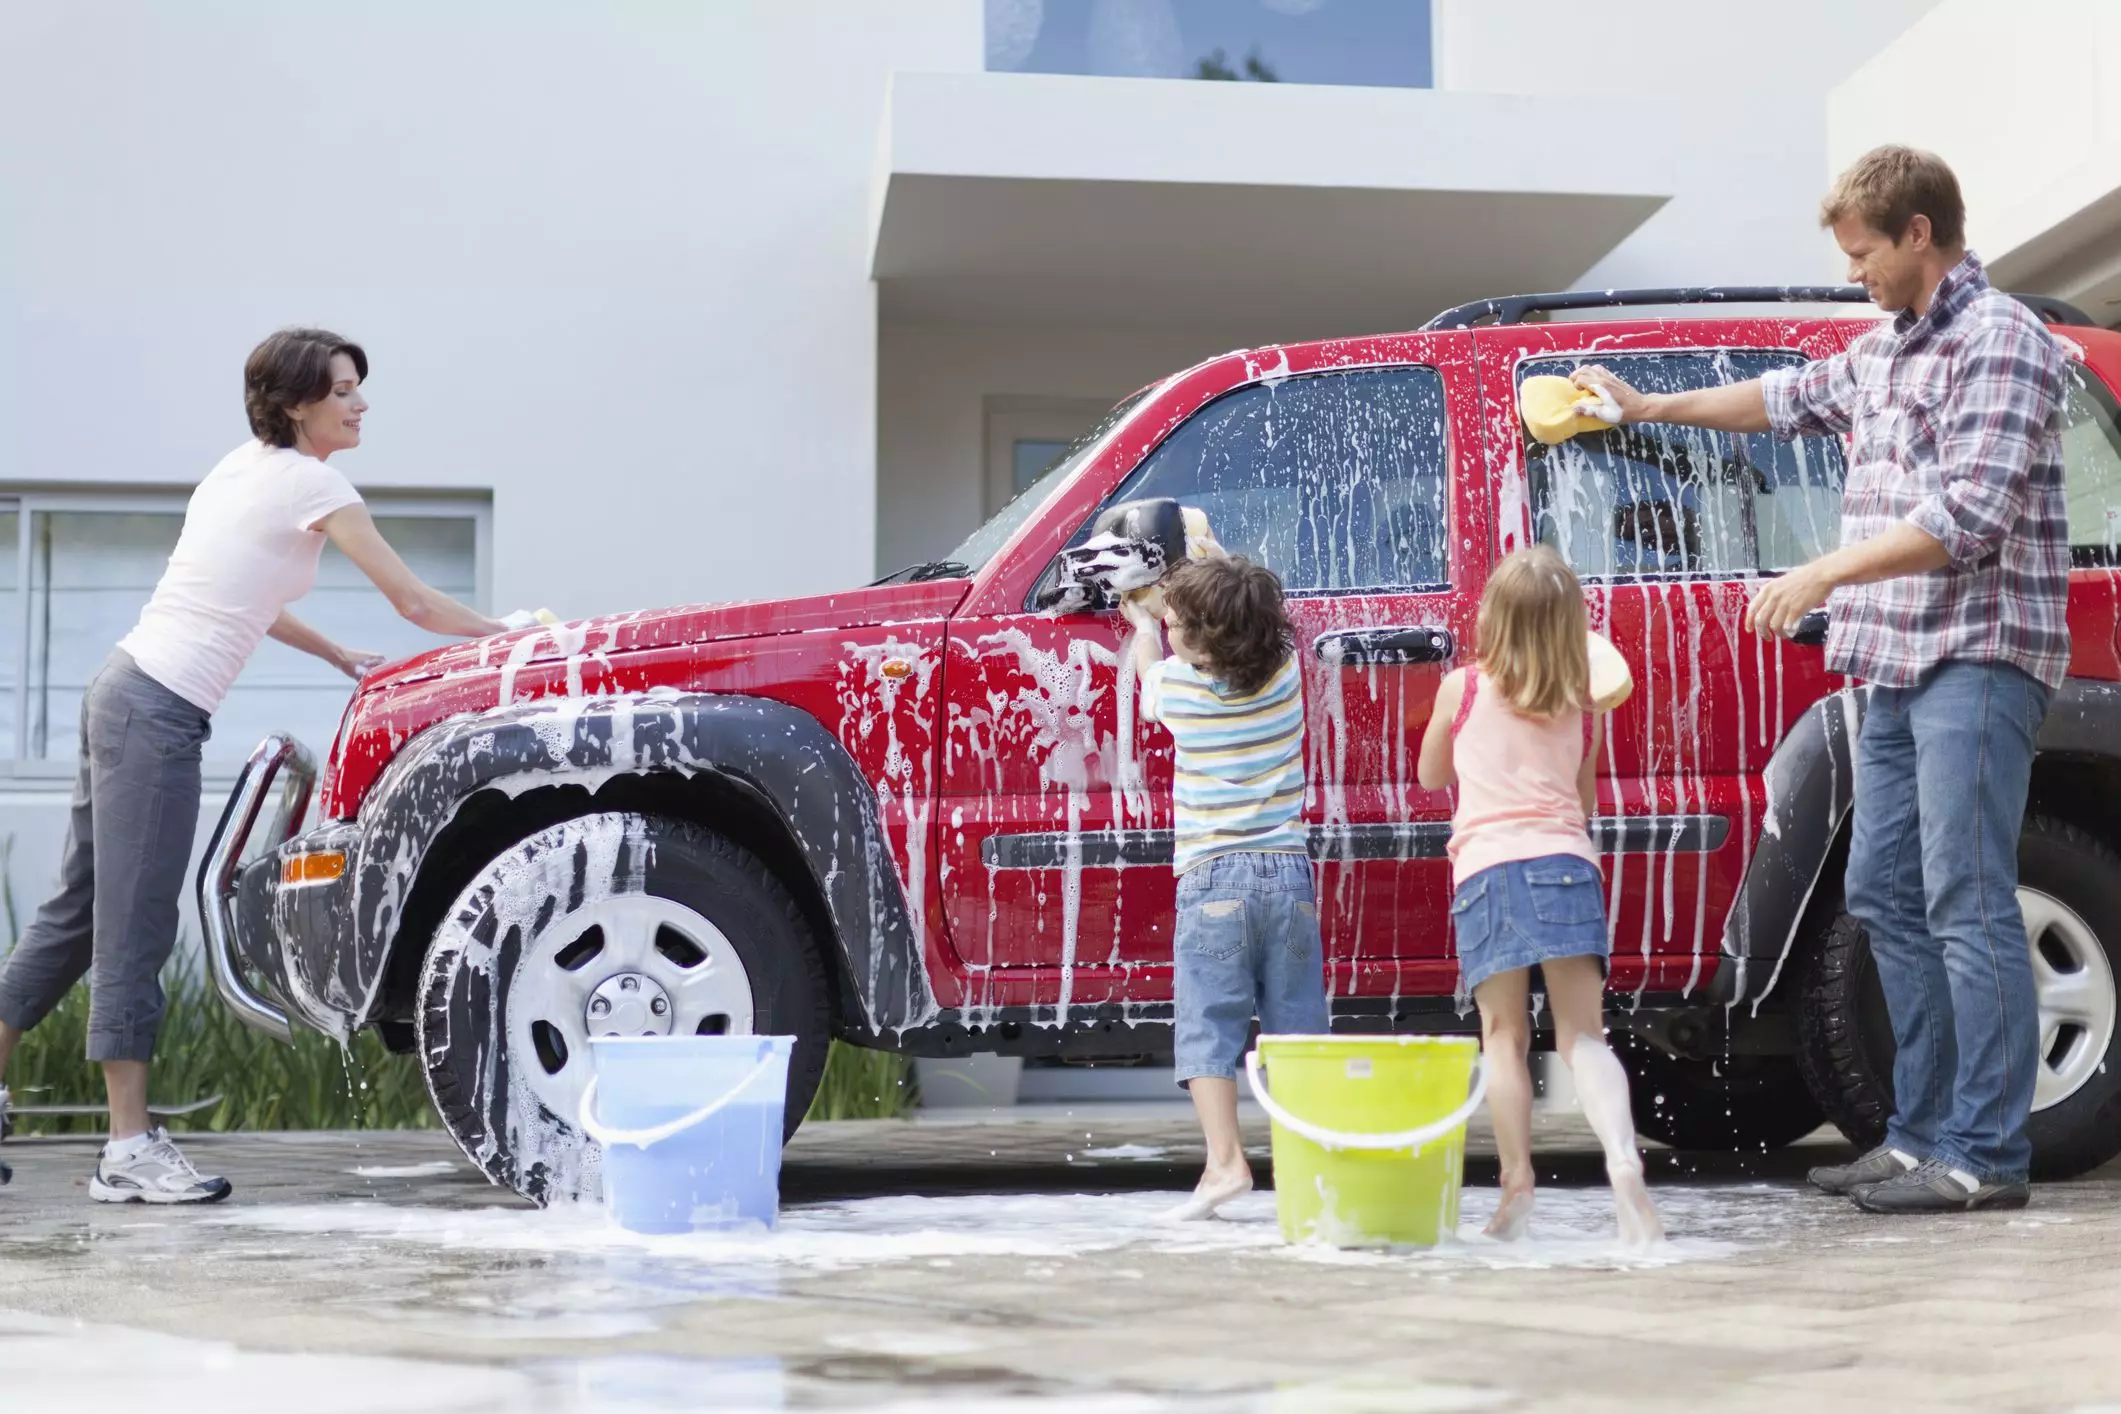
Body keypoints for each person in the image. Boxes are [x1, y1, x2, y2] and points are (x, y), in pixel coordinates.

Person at [1572, 146, 2068, 1214]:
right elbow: (1781, 400)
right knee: (1886, 895)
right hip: (1888, 662)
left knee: (1966, 898)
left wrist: (1820, 572)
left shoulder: (2001, 341)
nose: (1855, 275)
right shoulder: (1884, 347)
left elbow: (1968, 519)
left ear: (1920, 235)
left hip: (1976, 658)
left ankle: (1986, 1154)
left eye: (1864, 256)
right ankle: (1921, 1135)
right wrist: (1646, 408)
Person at [0, 328, 509, 1203]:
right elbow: (414, 599)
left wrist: (333, 652)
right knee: (132, 927)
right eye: (343, 389)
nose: (360, 403)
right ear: (296, 403)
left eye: (359, 387)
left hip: (120, 689)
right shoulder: (316, 483)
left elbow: (244, 595)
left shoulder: (239, 470)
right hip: (154, 710)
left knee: (77, 917)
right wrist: (520, 638)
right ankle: (128, 1150)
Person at [1417, 544, 1664, 1245]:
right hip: (1565, 864)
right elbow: (1579, 799)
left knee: (1503, 1038)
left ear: (1492, 617)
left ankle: (1516, 1183)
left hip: (1488, 872)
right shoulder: (1583, 703)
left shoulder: (1461, 689)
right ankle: (1622, 1161)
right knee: (1584, 1036)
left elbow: (1433, 774)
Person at [1122, 554, 1326, 1221]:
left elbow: (1149, 665)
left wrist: (1142, 622)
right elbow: (1239, 614)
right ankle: (1307, 1170)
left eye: (1177, 621)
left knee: (1208, 1023)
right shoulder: (1288, 677)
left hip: (1212, 879)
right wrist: (1195, 596)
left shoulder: (1176, 690)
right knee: (1296, 1026)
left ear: (1198, 642)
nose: (1167, 624)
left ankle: (1224, 1162)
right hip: (1288, 876)